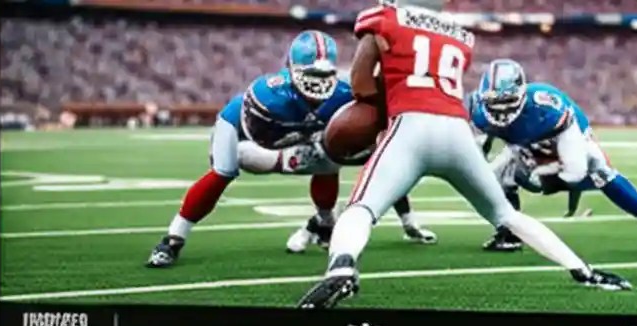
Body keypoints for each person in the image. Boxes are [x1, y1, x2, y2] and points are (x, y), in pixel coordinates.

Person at [298, 0, 629, 309]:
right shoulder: (459, 34)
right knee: (507, 215)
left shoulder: (384, 17)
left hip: (411, 125)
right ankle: (583, 270)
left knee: (361, 208)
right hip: (458, 131)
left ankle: (341, 268)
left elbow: (361, 85)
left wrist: (375, 111)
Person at [149, 31, 432, 268]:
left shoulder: (344, 94)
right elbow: (260, 140)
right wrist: (300, 149)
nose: (318, 83)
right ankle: (173, 239)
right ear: (291, 68)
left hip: (296, 139)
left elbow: (382, 153)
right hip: (244, 131)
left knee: (343, 156)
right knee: (224, 170)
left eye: (325, 75)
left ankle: (324, 223)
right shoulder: (270, 95)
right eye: (311, 74)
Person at [471, 59, 637, 258]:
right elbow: (481, 148)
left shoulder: (545, 106)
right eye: (493, 102)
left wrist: (551, 166)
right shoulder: (479, 112)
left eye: (508, 101)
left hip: (563, 133)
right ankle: (510, 231)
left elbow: (570, 144)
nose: (501, 110)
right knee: (496, 177)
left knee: (600, 170)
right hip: (521, 142)